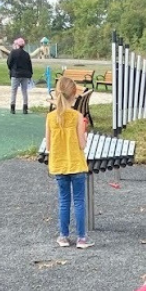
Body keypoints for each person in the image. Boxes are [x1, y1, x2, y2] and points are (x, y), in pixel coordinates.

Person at [45, 76, 90, 249]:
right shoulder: (77, 117)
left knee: (64, 200)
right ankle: (81, 238)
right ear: (74, 95)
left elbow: (48, 145)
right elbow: (81, 144)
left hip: (59, 165)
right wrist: (84, 136)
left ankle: (63, 236)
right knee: (79, 201)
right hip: (77, 165)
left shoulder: (50, 117)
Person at [7, 37, 34, 114]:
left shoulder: (13, 52)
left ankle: (13, 108)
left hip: (15, 74)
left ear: (17, 45)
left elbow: (9, 62)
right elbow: (29, 65)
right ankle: (25, 108)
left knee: (13, 91)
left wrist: (11, 69)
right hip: (25, 75)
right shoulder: (26, 54)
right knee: (24, 91)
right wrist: (30, 74)